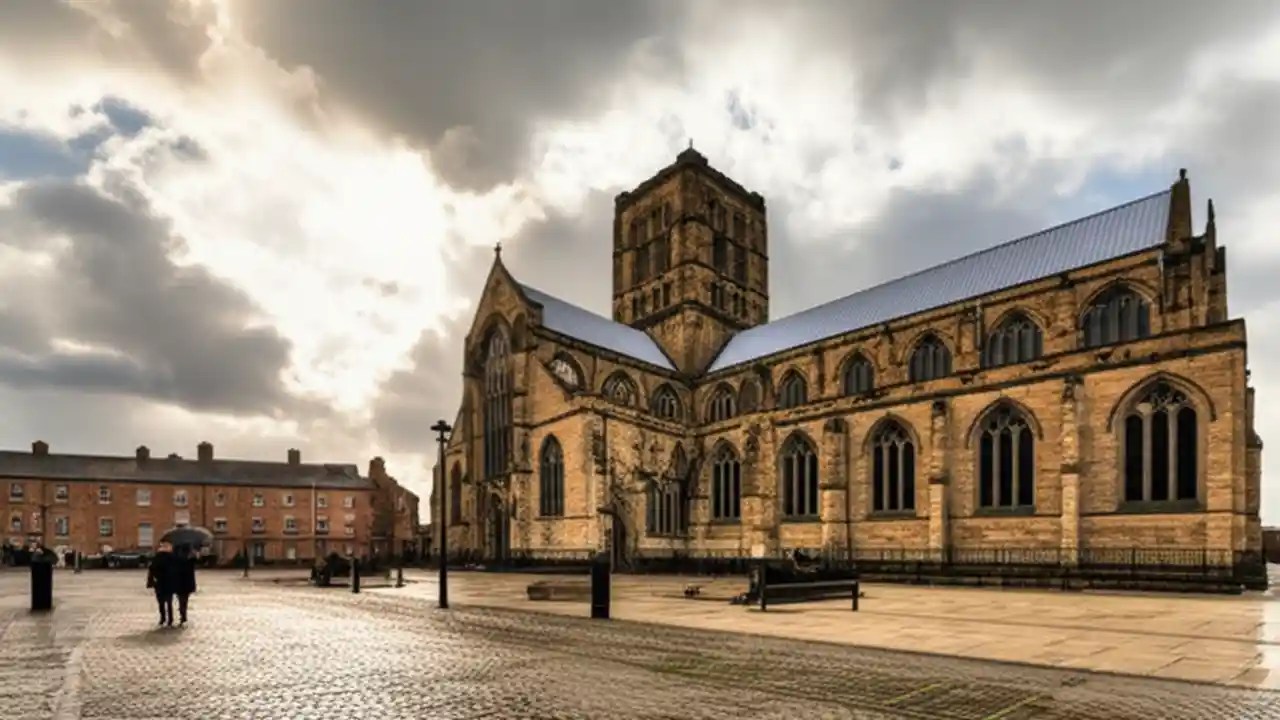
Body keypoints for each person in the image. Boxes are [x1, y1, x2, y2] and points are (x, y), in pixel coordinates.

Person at [146, 542, 178, 627]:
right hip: (169, 582)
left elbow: (151, 570)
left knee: (161, 602)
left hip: (159, 583)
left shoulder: (157, 558)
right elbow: (176, 571)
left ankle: (162, 618)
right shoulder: (173, 558)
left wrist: (151, 582)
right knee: (169, 602)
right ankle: (170, 619)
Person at [176, 547, 197, 625]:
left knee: (181, 601)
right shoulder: (190, 562)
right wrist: (194, 552)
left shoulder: (178, 562)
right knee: (184, 601)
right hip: (188, 584)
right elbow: (197, 559)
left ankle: (183, 614)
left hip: (179, 584)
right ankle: (183, 614)